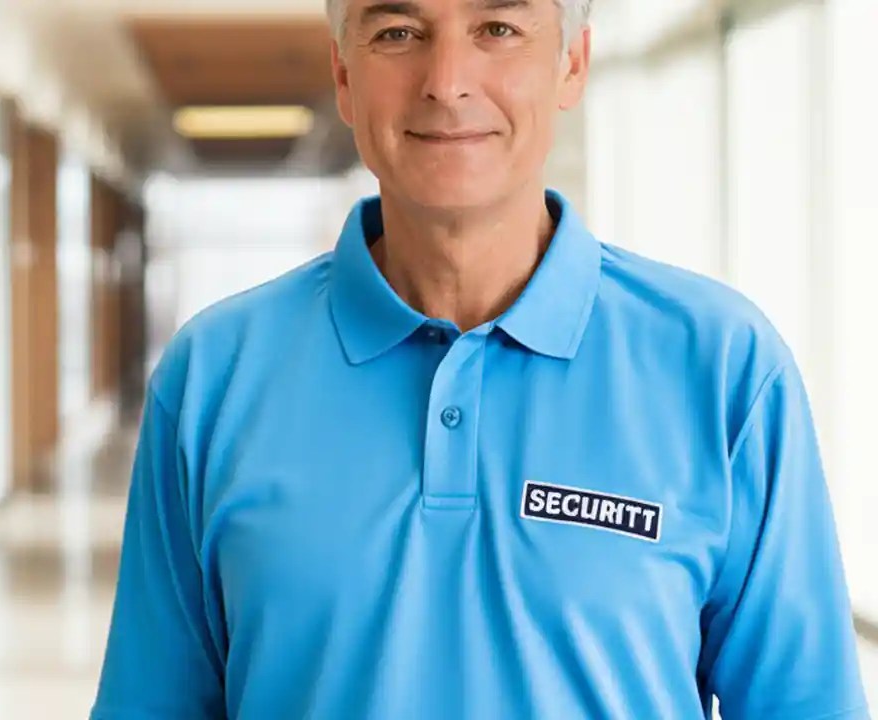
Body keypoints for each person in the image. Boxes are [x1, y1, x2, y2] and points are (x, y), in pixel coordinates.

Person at [90, 0, 872, 717]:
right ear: (342, 75)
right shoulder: (213, 379)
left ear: (572, 62)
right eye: (398, 32)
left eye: (499, 29)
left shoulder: (724, 368)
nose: (447, 81)